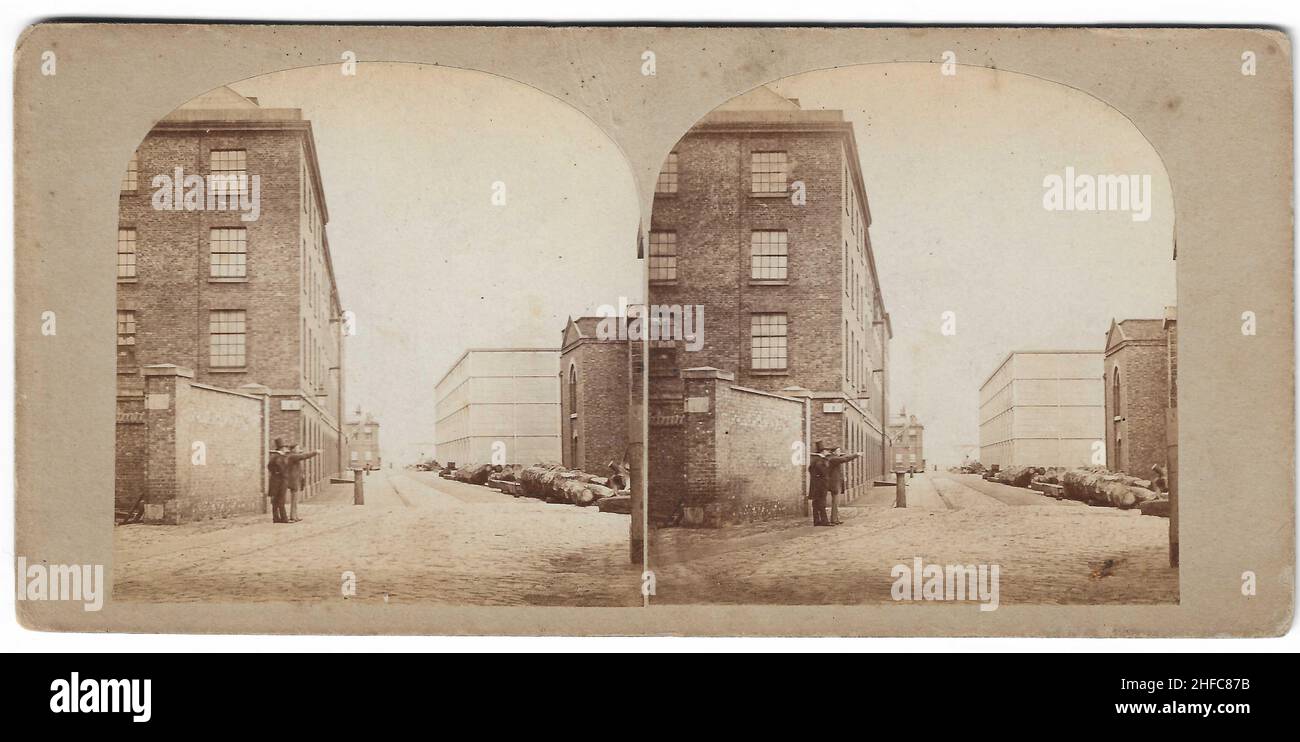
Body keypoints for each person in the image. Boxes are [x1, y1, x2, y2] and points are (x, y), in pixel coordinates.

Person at [284, 444, 321, 523]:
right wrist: (315, 452)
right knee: (294, 500)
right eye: (297, 448)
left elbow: (302, 455)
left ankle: (294, 516)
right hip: (293, 481)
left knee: (295, 500)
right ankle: (293, 516)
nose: (298, 449)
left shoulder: (293, 456)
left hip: (295, 480)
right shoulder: (293, 456)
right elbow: (303, 456)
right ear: (293, 449)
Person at [825, 447, 862, 525]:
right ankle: (834, 519)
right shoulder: (834, 459)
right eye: (838, 451)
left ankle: (836, 518)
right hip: (834, 484)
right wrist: (856, 454)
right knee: (835, 502)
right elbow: (845, 459)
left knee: (836, 502)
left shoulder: (833, 458)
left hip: (836, 483)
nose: (839, 452)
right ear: (834, 452)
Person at [807, 442, 833, 526]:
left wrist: (815, 477)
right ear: (822, 451)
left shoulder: (814, 460)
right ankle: (824, 521)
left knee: (815, 503)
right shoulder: (821, 461)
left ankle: (816, 521)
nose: (827, 452)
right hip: (821, 486)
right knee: (822, 503)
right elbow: (824, 473)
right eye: (826, 450)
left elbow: (810, 470)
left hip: (815, 485)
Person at [267, 439, 289, 524]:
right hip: (278, 481)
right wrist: (276, 472)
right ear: (281, 448)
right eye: (284, 447)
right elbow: (270, 466)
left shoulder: (281, 456)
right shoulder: (276, 457)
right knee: (279, 500)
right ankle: (282, 518)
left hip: (279, 481)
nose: (285, 449)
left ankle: (277, 518)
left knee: (278, 500)